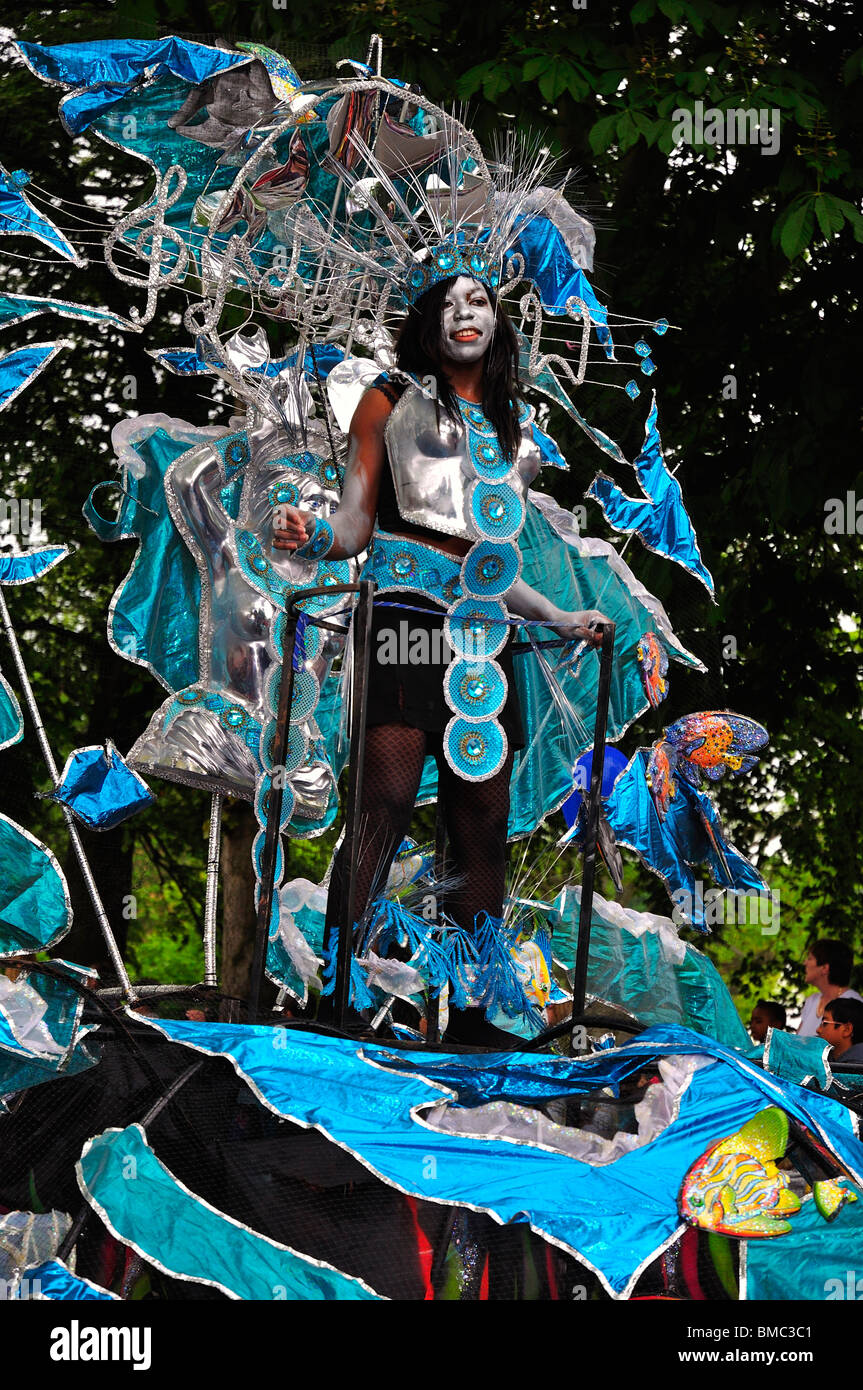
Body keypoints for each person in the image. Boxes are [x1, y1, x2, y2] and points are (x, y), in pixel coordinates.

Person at [274, 270, 607, 1039]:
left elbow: (493, 562)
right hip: (402, 612)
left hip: (483, 628)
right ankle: (338, 994)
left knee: (479, 822)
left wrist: (559, 615)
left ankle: (473, 1012)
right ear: (427, 322)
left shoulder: (510, 427)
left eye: (480, 301)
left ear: (498, 322)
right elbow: (355, 525)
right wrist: (316, 535)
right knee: (383, 800)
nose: (465, 314)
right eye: (449, 303)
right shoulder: (388, 398)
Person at [797, 939, 863, 1037]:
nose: (804, 963)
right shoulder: (811, 1000)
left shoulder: (854, 1003)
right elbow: (795, 1043)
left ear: (824, 968)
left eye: (810, 958)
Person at [816, 998, 863, 1063]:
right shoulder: (829, 1057)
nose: (818, 1030)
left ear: (847, 1030)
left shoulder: (855, 1068)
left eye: (825, 1023)